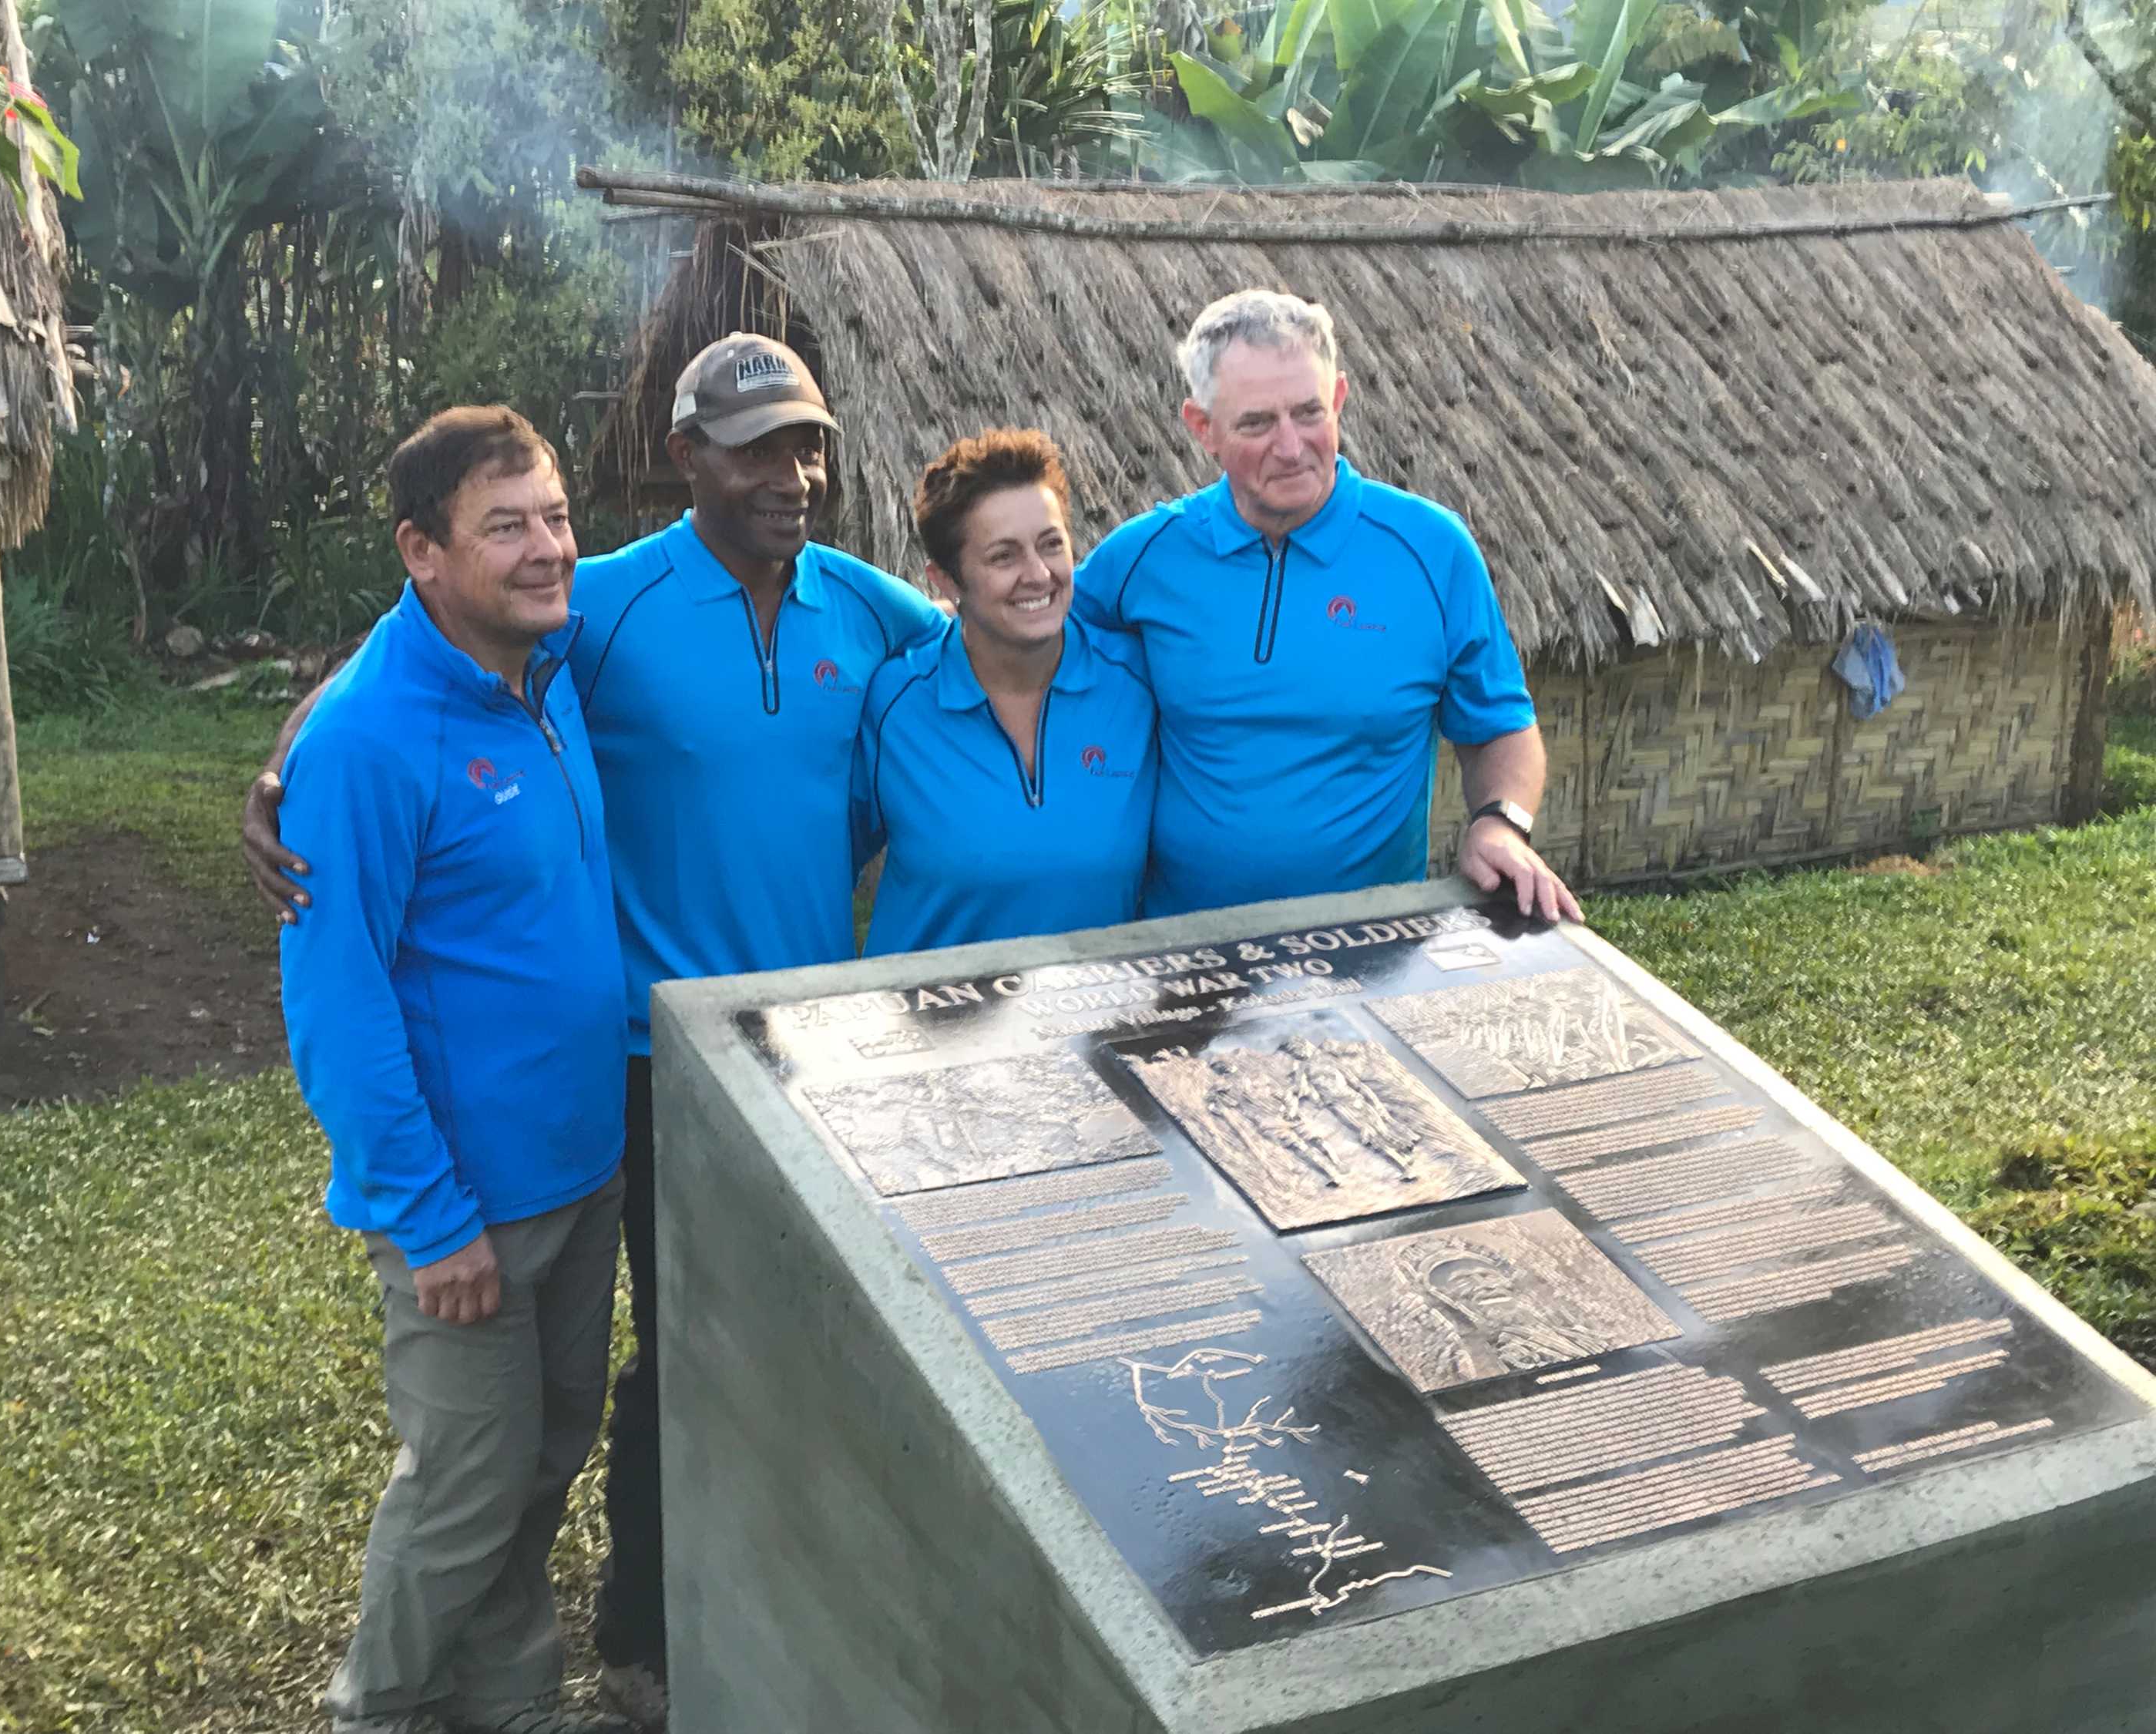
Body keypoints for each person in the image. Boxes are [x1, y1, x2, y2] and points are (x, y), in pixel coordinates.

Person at [245, 336, 943, 1729]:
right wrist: (283, 768)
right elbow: (400, 677)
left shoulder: (841, 612)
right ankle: (567, 1653)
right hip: (644, 1075)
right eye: (754, 448)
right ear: (687, 459)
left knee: (652, 1403)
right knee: (607, 1402)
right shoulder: (603, 610)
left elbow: (1003, 631)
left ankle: (537, 1692)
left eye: (804, 445)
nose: (788, 475)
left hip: (794, 1068)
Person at [277, 407, 627, 1734]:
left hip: (578, 1167)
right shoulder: (371, 740)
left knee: (543, 1455)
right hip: (468, 1205)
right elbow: (337, 1003)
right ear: (422, 553)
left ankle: (513, 1694)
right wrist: (433, 1220)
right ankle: (383, 1706)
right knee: (469, 1480)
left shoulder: (546, 658)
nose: (548, 551)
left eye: (554, 518)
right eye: (507, 528)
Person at [1072, 289, 1584, 926]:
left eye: (1309, 413)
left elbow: (1501, 725)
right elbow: (1025, 639)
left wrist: (1500, 824)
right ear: (1202, 428)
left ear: (1339, 399)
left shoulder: (1432, 550)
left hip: (1366, 951)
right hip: (1182, 951)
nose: (1291, 446)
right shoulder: (1142, 559)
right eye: (1257, 423)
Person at [854, 428, 1156, 956]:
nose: (1037, 575)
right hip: (929, 1031)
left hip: (1097, 1029)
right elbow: (816, 868)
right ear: (946, 581)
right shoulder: (892, 705)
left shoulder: (1140, 682)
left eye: (1051, 545)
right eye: (1003, 557)